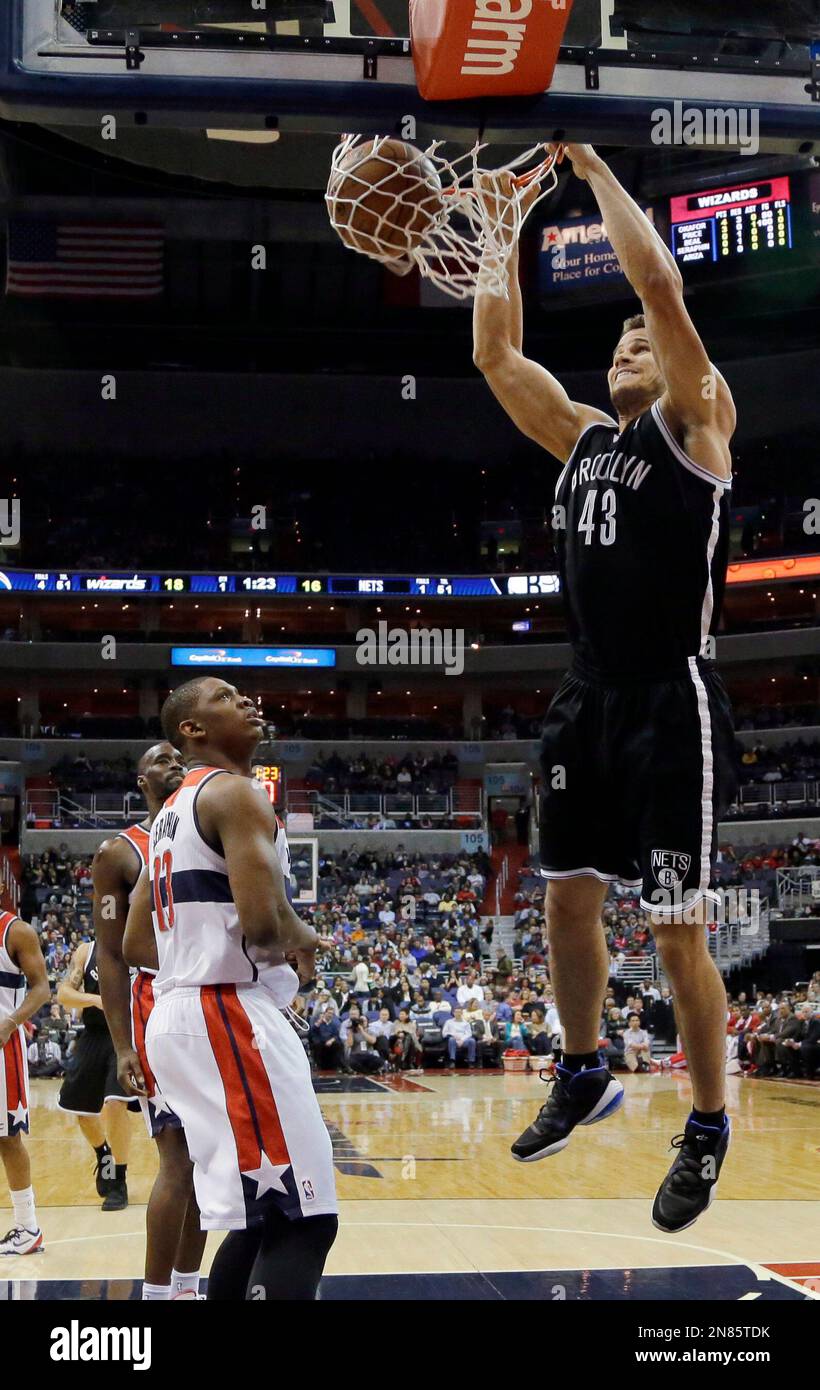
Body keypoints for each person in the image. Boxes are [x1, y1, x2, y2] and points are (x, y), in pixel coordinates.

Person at [475, 142, 737, 1232]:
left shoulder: (697, 425)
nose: (629, 342)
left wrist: (585, 171)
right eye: (619, 339)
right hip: (586, 695)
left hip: (670, 702)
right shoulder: (581, 439)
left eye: (643, 340)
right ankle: (582, 1067)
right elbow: (496, 354)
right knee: (565, 894)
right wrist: (496, 226)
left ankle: (708, 1125)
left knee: (676, 928)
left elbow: (661, 286)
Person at [123, 677, 338, 1301]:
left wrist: (197, 946)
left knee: (257, 1216)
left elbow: (138, 944)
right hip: (227, 1018)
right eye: (225, 697)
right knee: (304, 1217)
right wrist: (308, 936)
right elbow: (265, 926)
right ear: (191, 729)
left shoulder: (167, 815)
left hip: (178, 1016)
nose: (246, 701)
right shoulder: (236, 793)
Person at [94, 742, 206, 1300]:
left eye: (179, 760)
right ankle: (159, 1295)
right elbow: (112, 956)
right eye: (162, 760)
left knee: (208, 1161)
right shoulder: (120, 852)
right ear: (141, 780)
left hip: (213, 999)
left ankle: (186, 1289)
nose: (175, 765)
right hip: (156, 1001)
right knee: (178, 1156)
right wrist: (121, 1046)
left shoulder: (208, 828)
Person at [56, 937, 137, 1211]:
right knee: (84, 1113)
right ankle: (104, 1156)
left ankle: (118, 1180)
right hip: (94, 1035)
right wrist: (95, 999)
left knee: (115, 1103)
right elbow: (64, 994)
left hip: (126, 1036)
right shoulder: (86, 951)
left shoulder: (136, 946)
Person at [0, 910, 50, 1256]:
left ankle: (27, 1227)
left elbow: (42, 988)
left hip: (3, 1048)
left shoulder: (16, 931)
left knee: (8, 1137)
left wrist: (10, 1022)